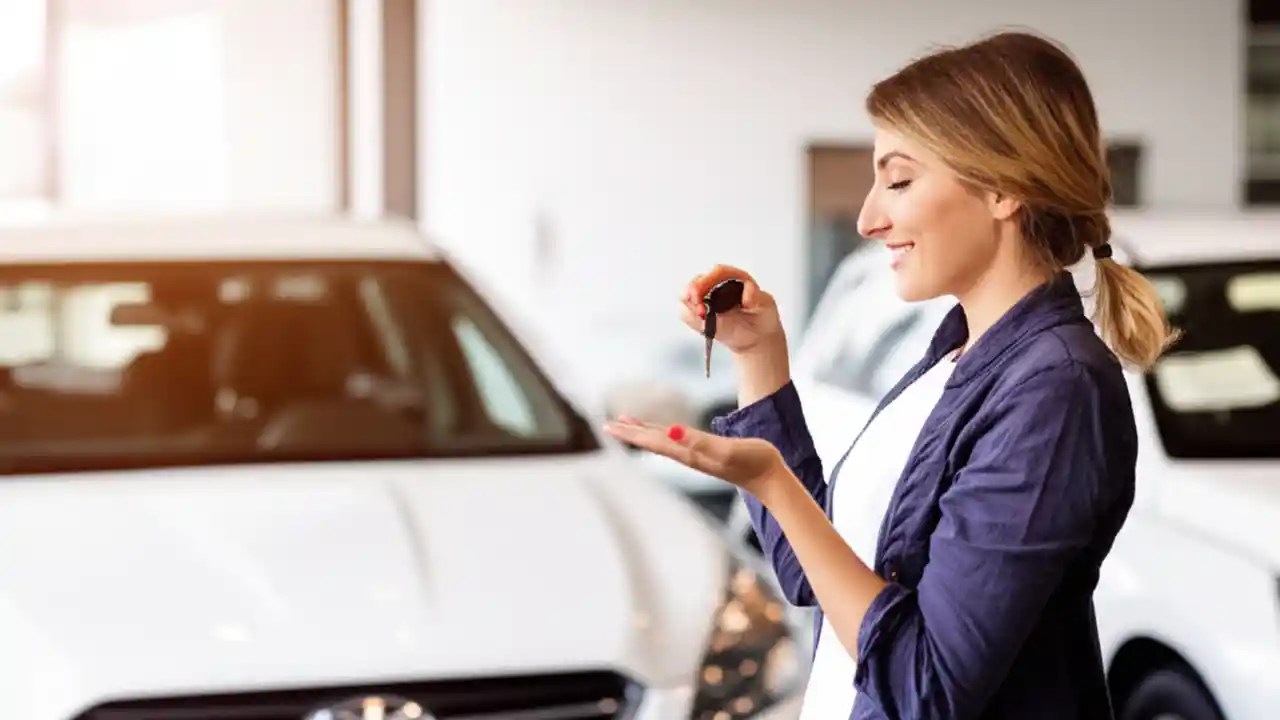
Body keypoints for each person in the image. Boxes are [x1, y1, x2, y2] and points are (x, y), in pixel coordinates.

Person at [603, 30, 1176, 720]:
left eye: (899, 180)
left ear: (1003, 188)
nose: (870, 218)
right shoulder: (951, 358)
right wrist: (760, 358)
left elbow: (923, 688)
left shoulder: (1056, 389)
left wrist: (772, 485)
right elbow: (813, 574)